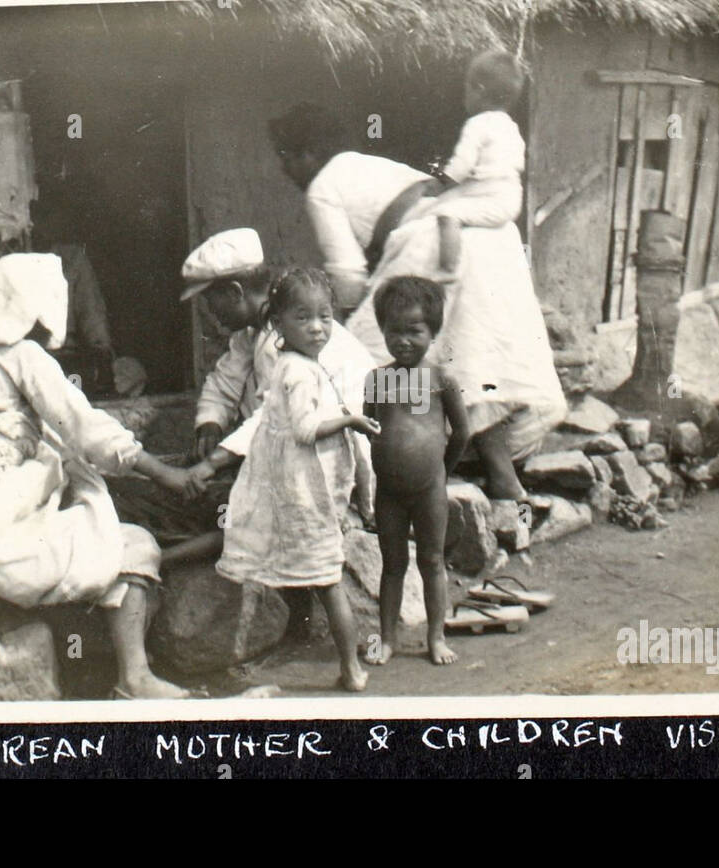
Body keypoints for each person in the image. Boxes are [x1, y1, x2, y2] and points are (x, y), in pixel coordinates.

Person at [0, 253, 194, 700]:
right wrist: (164, 474)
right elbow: (80, 426)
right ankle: (135, 678)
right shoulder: (24, 356)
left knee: (87, 519)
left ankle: (112, 664)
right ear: (40, 311)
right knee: (130, 544)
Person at [270, 102, 566, 501]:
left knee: (361, 359)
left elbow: (348, 277)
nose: (284, 171)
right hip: (484, 238)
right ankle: (500, 478)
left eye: (286, 158)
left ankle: (388, 476)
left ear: (307, 154)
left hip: (435, 245)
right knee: (473, 361)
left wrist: (333, 324)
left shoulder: (323, 187)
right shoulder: (368, 165)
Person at [215, 268, 380, 692]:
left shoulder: (302, 364)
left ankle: (349, 667)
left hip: (305, 486)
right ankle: (349, 666)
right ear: (278, 322)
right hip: (302, 488)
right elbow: (306, 429)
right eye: (303, 318)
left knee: (324, 578)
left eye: (325, 317)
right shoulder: (296, 370)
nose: (317, 327)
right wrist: (351, 420)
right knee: (327, 579)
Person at [362, 276, 468, 667]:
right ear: (383, 331)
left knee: (432, 561)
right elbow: (370, 429)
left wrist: (440, 471)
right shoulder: (376, 380)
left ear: (433, 331)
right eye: (394, 330)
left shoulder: (441, 379)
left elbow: (462, 433)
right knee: (392, 565)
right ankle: (387, 639)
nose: (403, 339)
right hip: (389, 492)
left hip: (429, 490)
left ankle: (436, 638)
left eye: (414, 330)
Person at [405, 49, 527, 270]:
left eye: (466, 90)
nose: (464, 97)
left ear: (478, 91)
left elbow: (460, 168)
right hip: (511, 199)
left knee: (446, 213)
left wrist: (439, 183)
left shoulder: (477, 125)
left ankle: (448, 268)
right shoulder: (511, 127)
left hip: (490, 198)